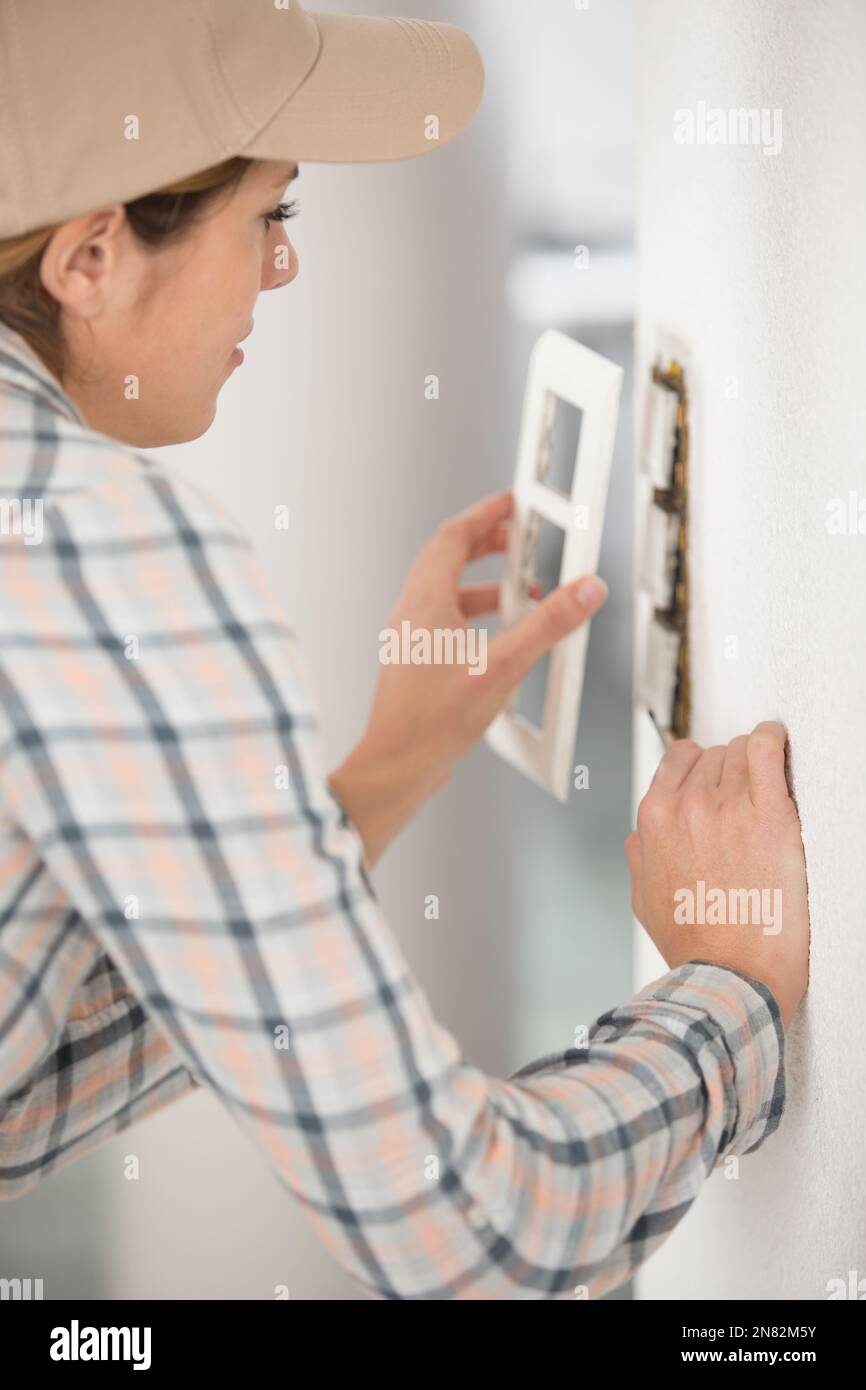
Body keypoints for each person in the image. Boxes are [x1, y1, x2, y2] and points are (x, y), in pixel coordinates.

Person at [0, 0, 809, 1299]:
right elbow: (473, 1237)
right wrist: (730, 997)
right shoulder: (107, 541)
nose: (284, 270)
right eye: (273, 214)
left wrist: (389, 767)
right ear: (89, 256)